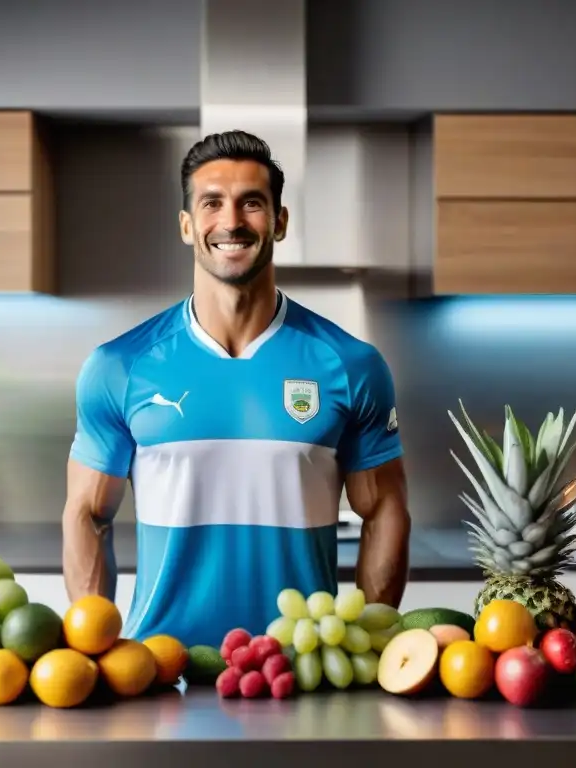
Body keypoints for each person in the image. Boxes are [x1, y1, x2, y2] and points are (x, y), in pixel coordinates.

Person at [62, 130, 412, 649]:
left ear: (281, 221)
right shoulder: (120, 366)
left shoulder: (351, 365)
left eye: (252, 203)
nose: (231, 221)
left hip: (301, 670)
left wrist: (369, 643)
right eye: (211, 203)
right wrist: (97, 646)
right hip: (160, 672)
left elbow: (385, 507)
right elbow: (86, 512)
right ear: (187, 225)